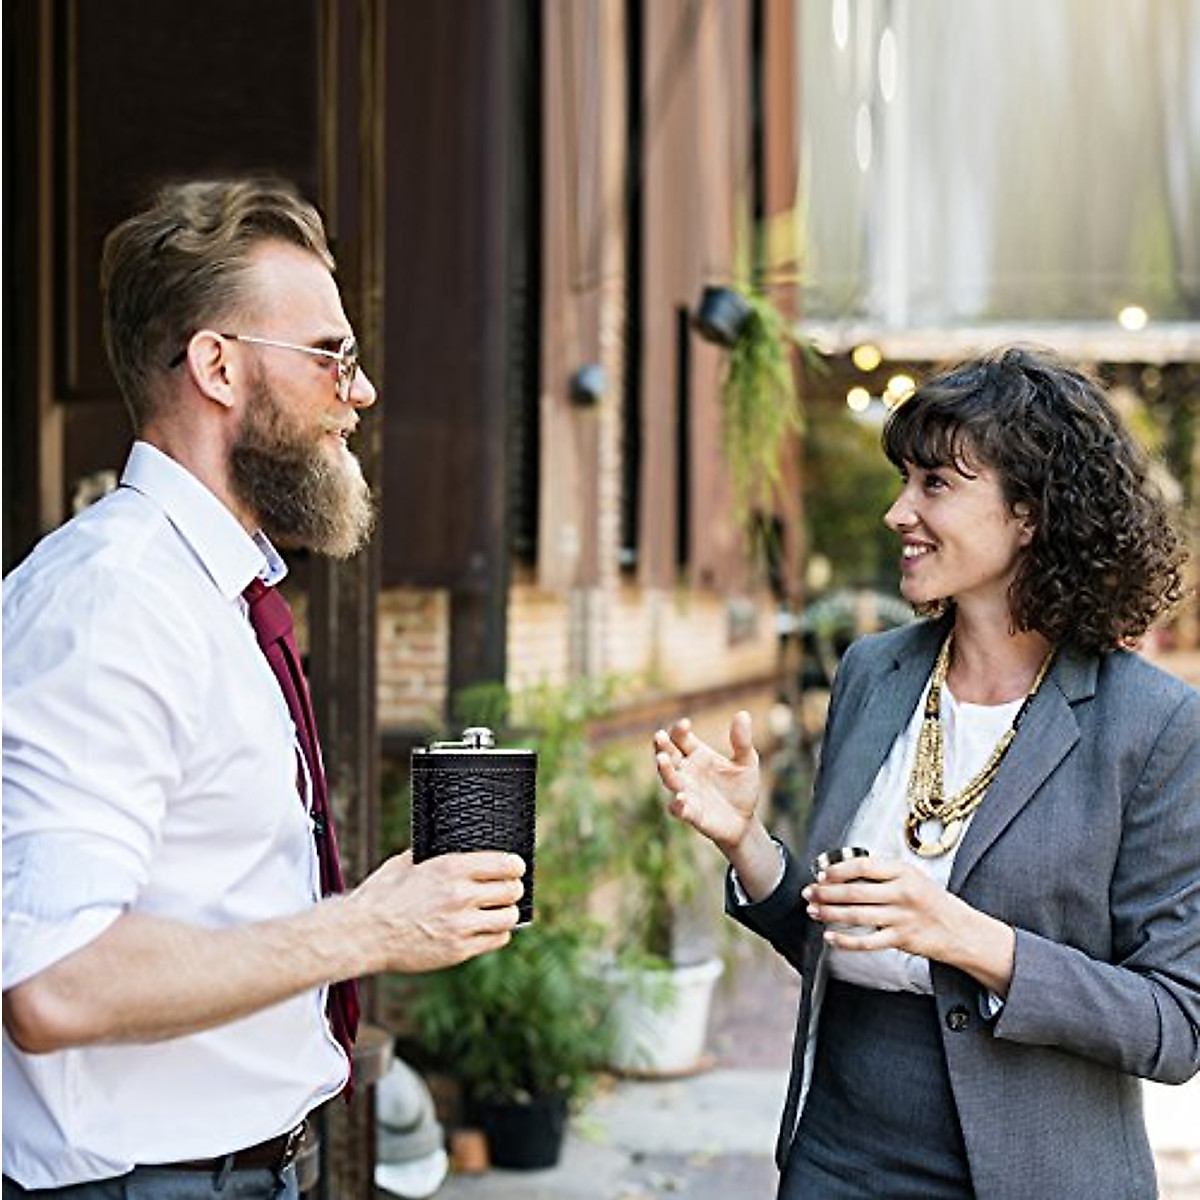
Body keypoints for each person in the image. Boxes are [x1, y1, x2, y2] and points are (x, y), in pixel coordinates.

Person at [2, 178, 526, 1196]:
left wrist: (377, 911)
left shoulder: (211, 597)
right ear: (217, 366)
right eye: (332, 356)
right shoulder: (112, 602)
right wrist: (369, 928)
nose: (361, 392)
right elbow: (52, 983)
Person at [654, 345, 1200, 1199]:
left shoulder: (1155, 725)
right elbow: (838, 940)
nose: (896, 512)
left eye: (936, 484)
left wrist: (970, 939)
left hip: (1034, 1171)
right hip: (837, 1152)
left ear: (1030, 513)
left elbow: (1173, 1023)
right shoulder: (875, 673)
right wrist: (746, 840)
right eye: (903, 480)